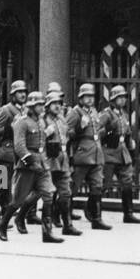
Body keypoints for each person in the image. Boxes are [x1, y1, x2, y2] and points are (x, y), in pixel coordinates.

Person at [0, 92, 61, 244]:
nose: (42, 108)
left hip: (42, 164)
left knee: (48, 194)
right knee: (18, 200)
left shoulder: (40, 122)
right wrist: (30, 162)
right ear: (31, 107)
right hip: (27, 167)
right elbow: (19, 146)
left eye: (42, 105)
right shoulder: (22, 122)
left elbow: (40, 142)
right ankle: (3, 225)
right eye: (39, 105)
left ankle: (47, 233)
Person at [67, 84, 109, 230]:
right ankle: (63, 215)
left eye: (92, 96)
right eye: (87, 96)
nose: (90, 99)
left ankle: (96, 219)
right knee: (73, 187)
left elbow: (96, 130)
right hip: (82, 155)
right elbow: (67, 133)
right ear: (81, 98)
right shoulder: (75, 113)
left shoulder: (94, 111)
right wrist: (80, 127)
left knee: (97, 186)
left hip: (96, 154)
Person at [99, 85, 140, 225]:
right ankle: (94, 211)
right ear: (113, 99)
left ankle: (128, 213)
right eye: (120, 97)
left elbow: (127, 132)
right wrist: (108, 129)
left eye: (124, 97)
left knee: (127, 183)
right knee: (104, 184)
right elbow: (96, 133)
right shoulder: (106, 114)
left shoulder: (123, 114)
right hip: (109, 153)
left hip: (123, 153)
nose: (123, 100)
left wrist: (131, 143)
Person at [43, 88, 82, 236]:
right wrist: (46, 133)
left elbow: (68, 135)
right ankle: (21, 216)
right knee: (39, 193)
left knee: (65, 192)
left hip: (62, 158)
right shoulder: (43, 120)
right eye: (54, 103)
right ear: (48, 105)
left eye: (59, 103)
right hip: (49, 159)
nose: (57, 106)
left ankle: (67, 225)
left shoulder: (61, 119)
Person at [0, 80, 29, 227]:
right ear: (13, 95)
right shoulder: (6, 110)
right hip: (5, 152)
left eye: (24, 92)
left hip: (18, 153)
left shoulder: (25, 111)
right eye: (19, 92)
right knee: (1, 186)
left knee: (15, 185)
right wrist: (10, 128)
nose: (22, 95)